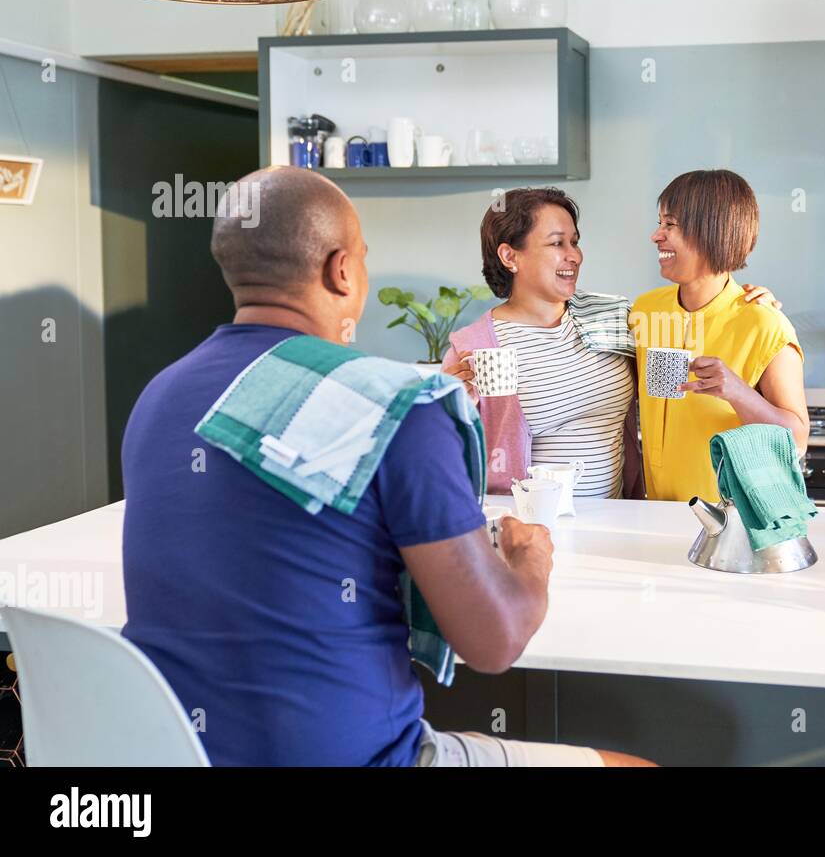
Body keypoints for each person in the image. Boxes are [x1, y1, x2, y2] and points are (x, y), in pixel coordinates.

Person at [121, 166, 651, 767]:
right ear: (340, 270)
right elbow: (494, 641)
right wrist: (530, 559)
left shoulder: (158, 399)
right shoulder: (398, 406)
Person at [443, 186, 782, 497]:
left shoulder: (612, 315)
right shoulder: (475, 347)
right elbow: (441, 454)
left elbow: (693, 324)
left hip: (619, 519)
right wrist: (451, 412)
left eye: (574, 242)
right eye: (557, 243)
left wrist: (744, 301)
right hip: (530, 526)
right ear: (509, 256)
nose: (573, 256)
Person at [632, 169, 809, 502]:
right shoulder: (647, 310)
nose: (656, 235)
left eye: (670, 225)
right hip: (656, 512)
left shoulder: (765, 324)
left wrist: (739, 393)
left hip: (732, 525)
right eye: (660, 223)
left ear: (711, 231)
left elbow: (797, 440)